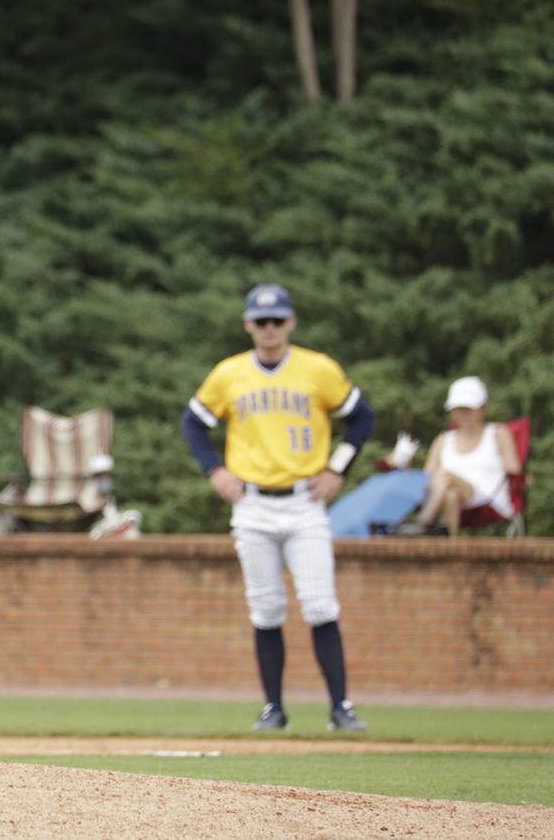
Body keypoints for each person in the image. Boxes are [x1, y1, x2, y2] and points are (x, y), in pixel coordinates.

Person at [180, 284, 377, 733]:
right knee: (266, 608)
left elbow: (362, 416)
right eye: (261, 321)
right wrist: (215, 471)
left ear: (291, 322)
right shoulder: (229, 374)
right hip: (252, 503)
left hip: (304, 501)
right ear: (249, 324)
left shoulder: (318, 368)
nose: (269, 329)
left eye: (277, 320)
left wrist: (337, 468)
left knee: (320, 605)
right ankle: (273, 708)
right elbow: (193, 422)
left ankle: (340, 707)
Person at [405, 376, 521, 538]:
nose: (463, 413)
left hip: (488, 498)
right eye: (458, 408)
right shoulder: (442, 440)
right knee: (451, 495)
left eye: (468, 408)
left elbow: (514, 469)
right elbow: (427, 478)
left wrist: (522, 480)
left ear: (482, 408)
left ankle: (421, 524)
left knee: (445, 475)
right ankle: (452, 553)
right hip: (452, 497)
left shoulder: (498, 434)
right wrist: (406, 467)